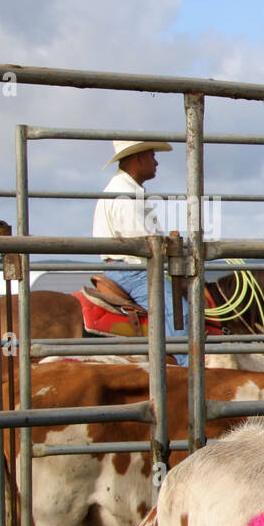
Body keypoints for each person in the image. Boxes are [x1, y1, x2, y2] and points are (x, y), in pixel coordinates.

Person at [92, 138, 190, 364]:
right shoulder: (125, 194)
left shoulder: (125, 189)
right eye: (152, 156)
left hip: (123, 267)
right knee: (180, 314)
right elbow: (144, 245)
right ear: (138, 158)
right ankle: (188, 375)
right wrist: (172, 248)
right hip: (131, 269)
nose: (156, 163)